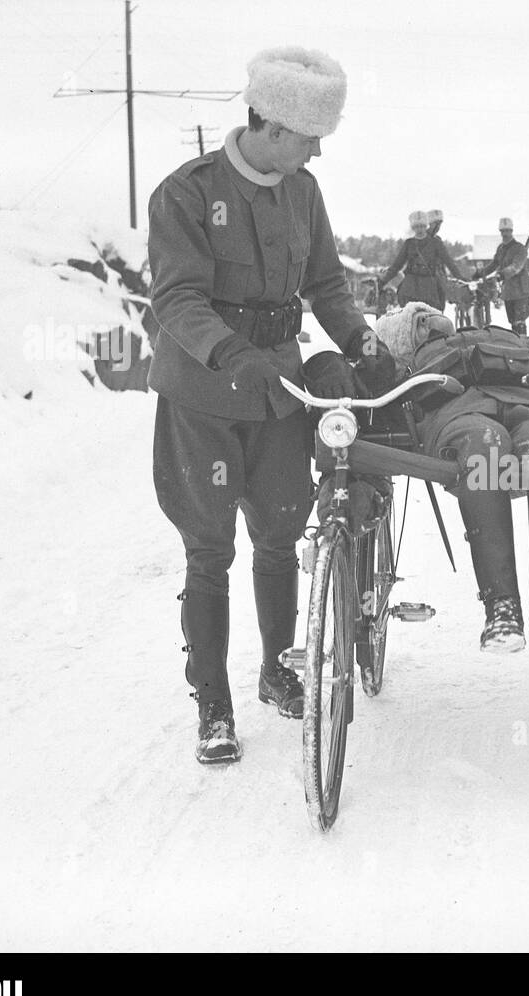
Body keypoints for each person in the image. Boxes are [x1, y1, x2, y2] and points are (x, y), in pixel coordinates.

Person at [148, 46, 396, 764]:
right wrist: (230, 352)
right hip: (204, 397)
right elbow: (177, 297)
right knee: (208, 549)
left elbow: (326, 286)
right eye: (311, 137)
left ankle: (277, 673)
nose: (317, 151)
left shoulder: (302, 192)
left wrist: (363, 344)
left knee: (281, 536)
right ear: (276, 127)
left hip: (280, 394)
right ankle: (213, 705)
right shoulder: (187, 193)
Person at [374, 303, 529, 660]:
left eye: (425, 315)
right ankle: (502, 607)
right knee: (484, 446)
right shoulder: (411, 364)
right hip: (458, 415)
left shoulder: (509, 340)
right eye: (416, 323)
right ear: (404, 343)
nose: (427, 322)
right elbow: (376, 391)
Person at [379, 211, 458, 311]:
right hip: (410, 288)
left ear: (426, 226)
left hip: (429, 288)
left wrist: (462, 278)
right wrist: (383, 281)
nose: (419, 229)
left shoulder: (436, 243)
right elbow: (396, 266)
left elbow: (449, 263)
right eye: (416, 227)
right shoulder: (408, 243)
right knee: (407, 316)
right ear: (413, 228)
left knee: (434, 315)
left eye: (422, 226)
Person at [477, 218, 529, 334]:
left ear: (511, 231)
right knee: (513, 323)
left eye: (507, 231)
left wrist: (501, 275)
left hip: (522, 292)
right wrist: (480, 273)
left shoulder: (520, 249)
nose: (505, 234)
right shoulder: (501, 249)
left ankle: (523, 344)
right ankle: (516, 344)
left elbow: (516, 267)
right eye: (503, 231)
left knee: (519, 323)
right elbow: (494, 264)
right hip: (509, 292)